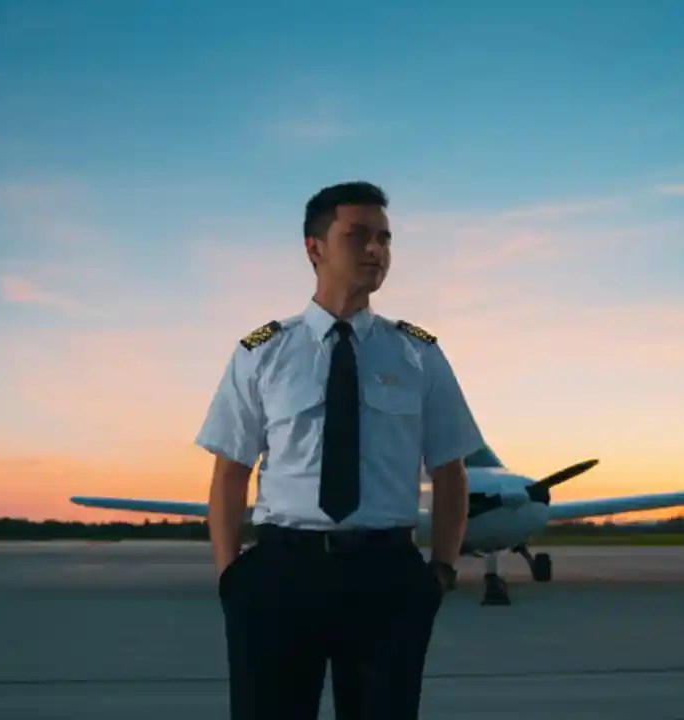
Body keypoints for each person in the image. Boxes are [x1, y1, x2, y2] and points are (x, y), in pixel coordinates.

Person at [195, 180, 485, 719]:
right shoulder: (262, 352)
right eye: (358, 236)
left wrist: (439, 572)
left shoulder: (419, 354)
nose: (377, 250)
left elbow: (451, 471)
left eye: (385, 238)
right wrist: (230, 575)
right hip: (281, 573)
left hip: (387, 576)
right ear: (315, 248)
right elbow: (230, 471)